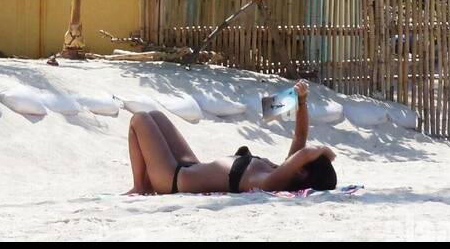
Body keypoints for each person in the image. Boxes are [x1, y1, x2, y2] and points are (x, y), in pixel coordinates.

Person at [126, 81, 337, 195]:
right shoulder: (281, 170)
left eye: (303, 159)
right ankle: (146, 182)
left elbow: (307, 152)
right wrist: (302, 100)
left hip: (172, 178)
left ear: (301, 170)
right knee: (156, 116)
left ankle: (140, 186)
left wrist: (324, 152)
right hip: (189, 166)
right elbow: (301, 135)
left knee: (139, 119)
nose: (300, 153)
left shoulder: (270, 182)